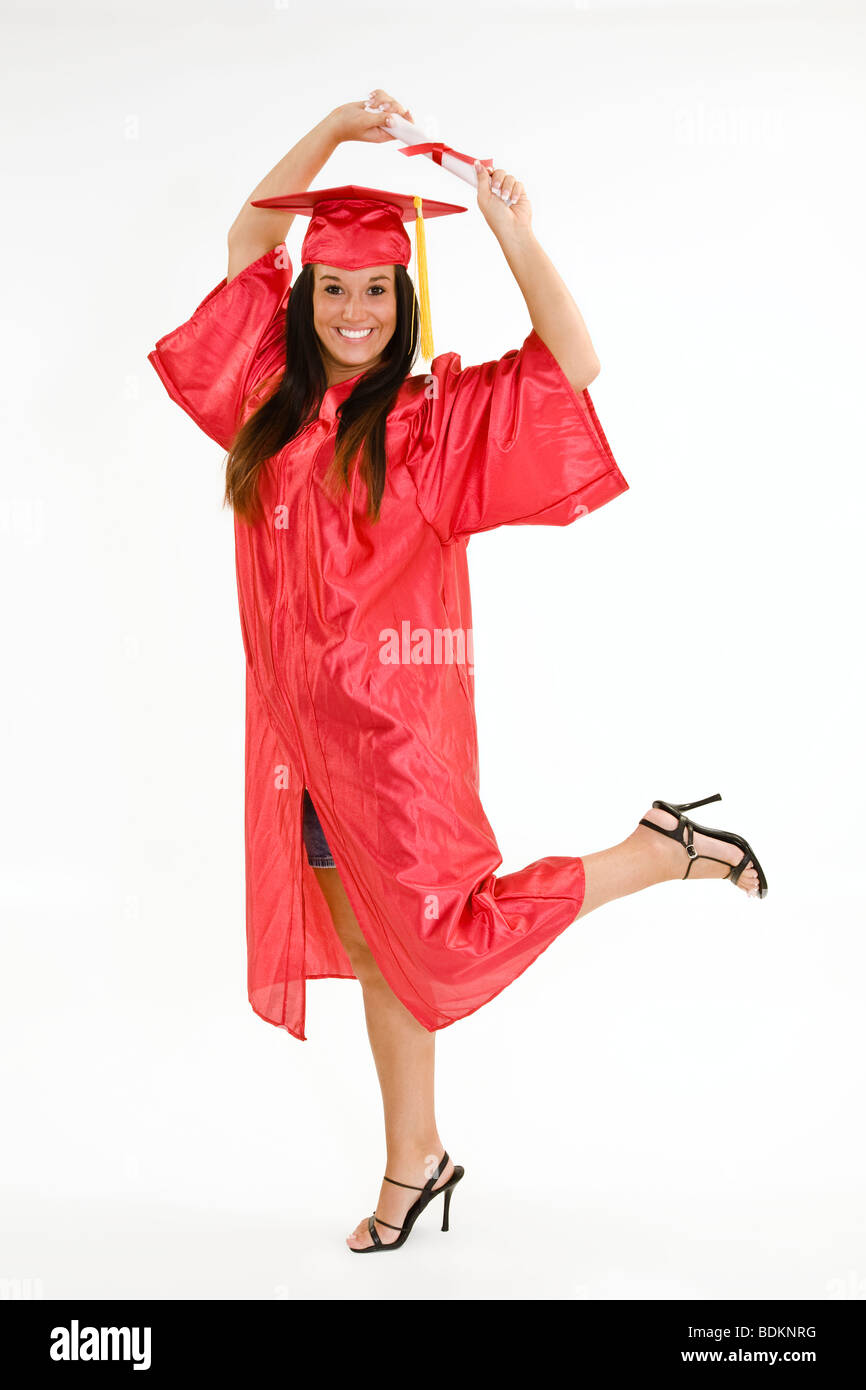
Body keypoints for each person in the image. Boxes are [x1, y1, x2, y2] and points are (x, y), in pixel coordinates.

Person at [148, 90, 767, 1254]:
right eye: (332, 286)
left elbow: (572, 361)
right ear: (307, 298)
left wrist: (510, 230)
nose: (352, 309)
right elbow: (245, 238)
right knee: (385, 955)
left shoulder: (435, 424)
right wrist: (332, 131)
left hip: (395, 748)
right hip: (301, 752)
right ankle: (413, 1161)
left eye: (375, 289)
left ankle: (652, 850)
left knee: (438, 942)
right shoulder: (263, 410)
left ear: (403, 297)